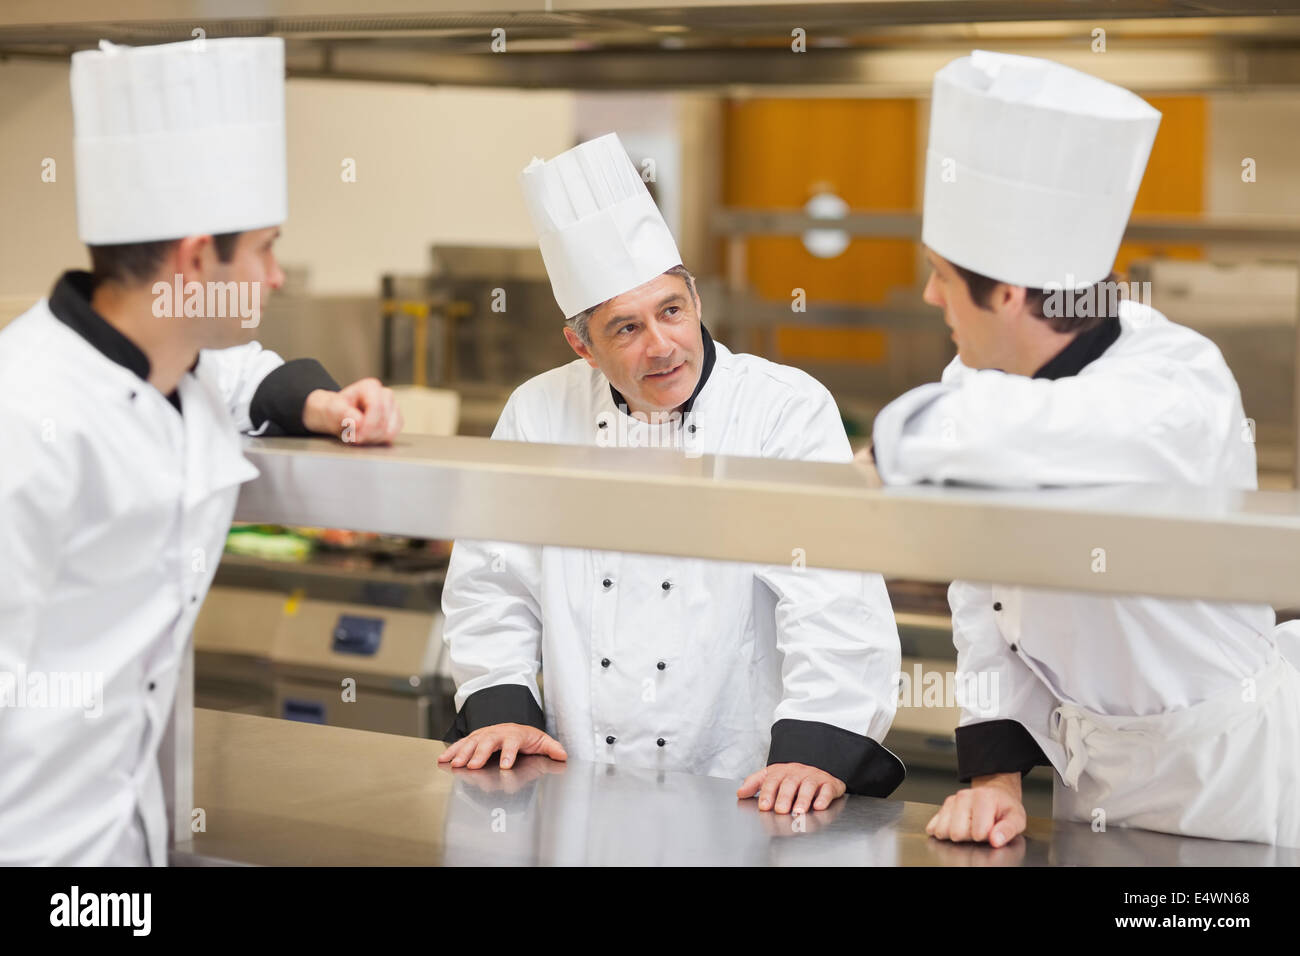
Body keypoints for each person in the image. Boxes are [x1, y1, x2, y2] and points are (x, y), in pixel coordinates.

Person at [870, 50, 1300, 847]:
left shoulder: (1177, 383)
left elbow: (1030, 435)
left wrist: (896, 446)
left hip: (1228, 784)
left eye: (940, 276)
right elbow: (983, 591)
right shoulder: (981, 375)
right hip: (1090, 777)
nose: (930, 297)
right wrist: (995, 769)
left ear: (1005, 294)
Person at [0, 36, 401, 865]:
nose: (278, 275)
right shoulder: (28, 414)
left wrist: (324, 404)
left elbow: (242, 378)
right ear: (194, 261)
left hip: (125, 842)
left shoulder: (173, 370)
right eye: (264, 247)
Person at [437, 133, 905, 814]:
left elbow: (833, 592)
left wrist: (817, 745)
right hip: (582, 787)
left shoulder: (783, 408)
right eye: (625, 329)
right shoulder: (539, 410)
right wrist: (502, 703)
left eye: (671, 311)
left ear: (696, 300)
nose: (662, 348)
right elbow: (492, 580)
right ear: (582, 346)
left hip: (743, 787)